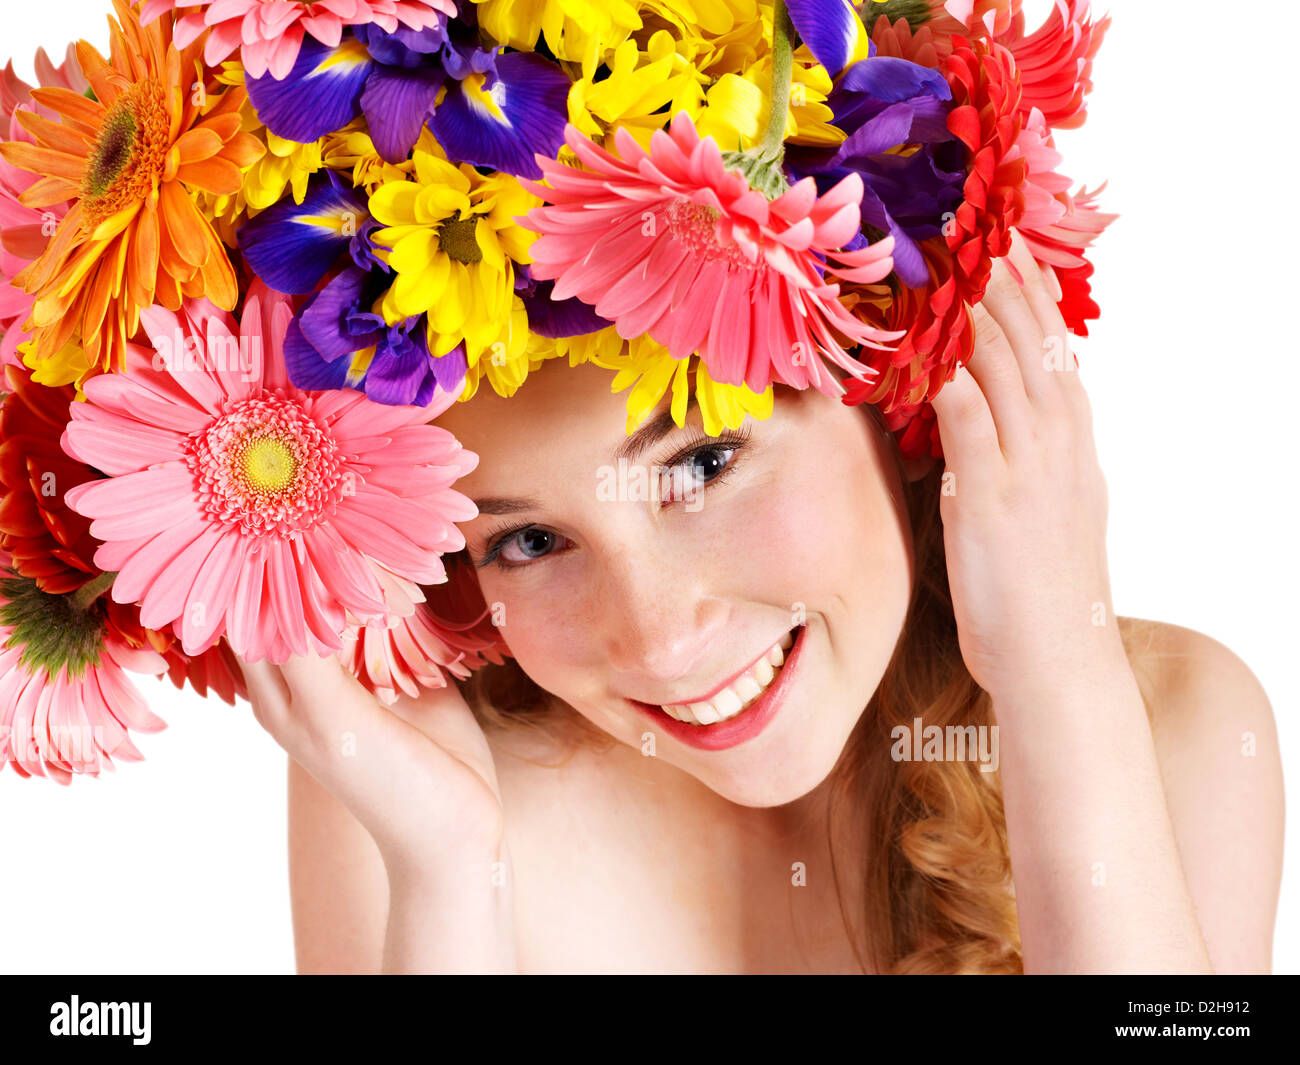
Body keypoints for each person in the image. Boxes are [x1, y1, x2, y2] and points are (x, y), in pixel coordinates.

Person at [240, 231, 1283, 975]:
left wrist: (1058, 669)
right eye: (527, 541)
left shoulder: (1173, 724)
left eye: (704, 464)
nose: (660, 638)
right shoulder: (424, 793)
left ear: (898, 392)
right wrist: (448, 876)